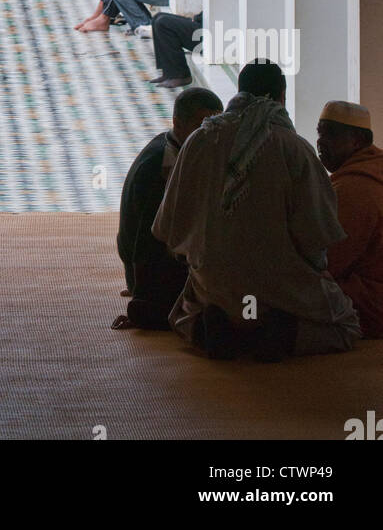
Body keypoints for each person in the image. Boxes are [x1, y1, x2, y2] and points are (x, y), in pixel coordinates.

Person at [153, 60, 361, 361]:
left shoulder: (200, 139)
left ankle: (211, 331)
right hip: (279, 289)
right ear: (281, 96)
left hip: (216, 286)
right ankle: (271, 337)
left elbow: (168, 227)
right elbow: (317, 236)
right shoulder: (294, 148)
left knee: (182, 313)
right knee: (346, 326)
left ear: (238, 92)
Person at [113, 86, 223, 331]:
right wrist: (141, 297)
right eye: (201, 126)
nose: (210, 134)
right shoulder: (162, 165)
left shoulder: (177, 146)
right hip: (149, 271)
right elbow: (147, 240)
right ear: (177, 123)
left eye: (216, 126)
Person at [317, 100, 383, 338]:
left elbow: (328, 262)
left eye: (331, 134)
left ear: (357, 140)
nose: (321, 142)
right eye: (319, 133)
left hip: (371, 304)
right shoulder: (372, 171)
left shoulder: (355, 188)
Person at [149, 10, 203, 88]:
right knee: (157, 17)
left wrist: (197, 19)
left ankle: (181, 75)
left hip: (207, 36)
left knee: (163, 22)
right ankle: (168, 72)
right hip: (203, 25)